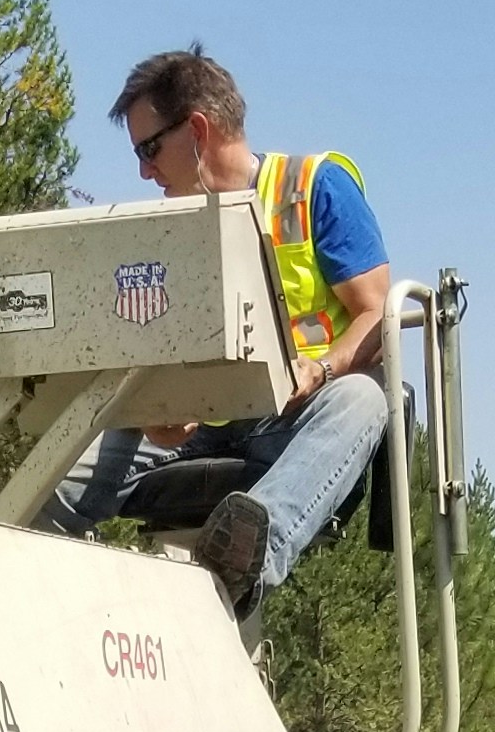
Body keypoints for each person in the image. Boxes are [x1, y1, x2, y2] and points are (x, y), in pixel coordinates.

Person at [37, 47, 392, 615]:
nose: (143, 171)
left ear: (198, 131)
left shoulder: (311, 189)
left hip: (296, 416)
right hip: (207, 422)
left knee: (365, 396)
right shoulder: (172, 226)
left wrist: (318, 368)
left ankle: (244, 560)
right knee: (48, 487)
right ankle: (37, 593)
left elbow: (379, 315)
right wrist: (165, 403)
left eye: (149, 149)